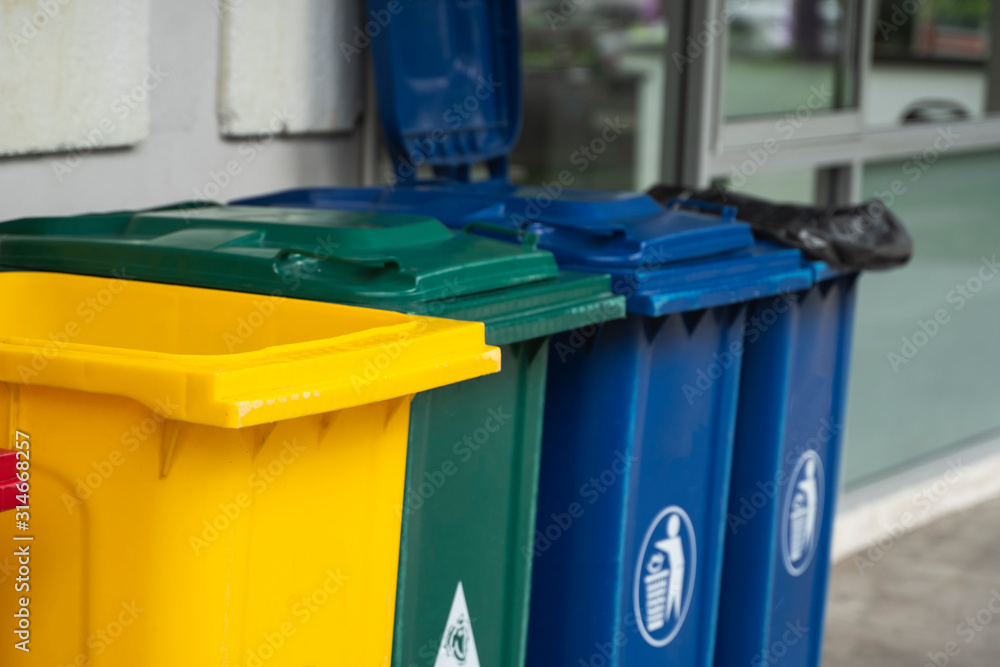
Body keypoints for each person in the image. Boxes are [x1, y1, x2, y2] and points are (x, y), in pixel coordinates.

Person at [655, 514, 685, 622]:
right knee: (673, 597)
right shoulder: (675, 541)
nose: (669, 529)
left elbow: (660, 544)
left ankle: (670, 617)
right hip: (677, 569)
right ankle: (671, 616)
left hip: (677, 571)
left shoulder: (674, 542)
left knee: (673, 597)